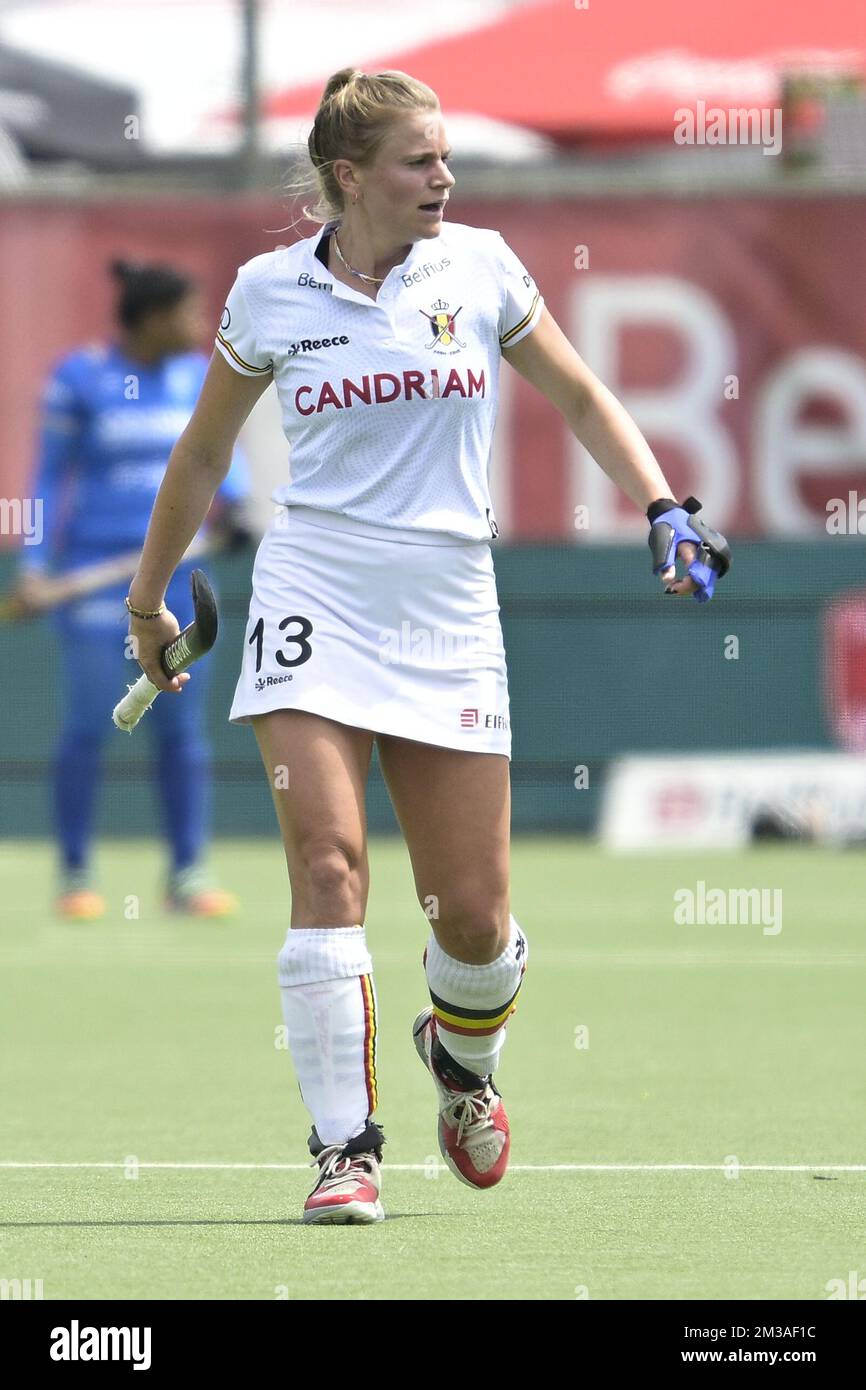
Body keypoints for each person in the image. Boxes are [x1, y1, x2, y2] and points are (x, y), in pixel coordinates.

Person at [126, 69, 729, 1224]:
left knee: (471, 921)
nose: (442, 179)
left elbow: (583, 395)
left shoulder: (482, 267)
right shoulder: (266, 294)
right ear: (348, 178)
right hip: (314, 589)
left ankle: (462, 1062)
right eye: (417, 161)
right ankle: (344, 1148)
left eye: (445, 158)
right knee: (329, 866)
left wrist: (660, 504)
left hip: (445, 601)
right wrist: (148, 602)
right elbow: (203, 455)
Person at [14, 259, 250, 920]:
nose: (201, 326)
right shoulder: (79, 378)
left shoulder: (200, 375)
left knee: (180, 730)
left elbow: (219, 459)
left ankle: (187, 874)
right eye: (188, 313)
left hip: (174, 574)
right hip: (92, 578)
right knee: (89, 725)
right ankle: (76, 874)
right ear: (151, 319)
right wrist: (34, 565)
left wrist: (235, 506)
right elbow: (46, 477)